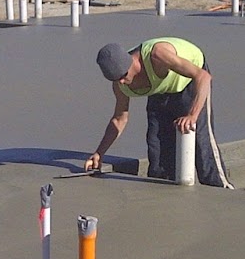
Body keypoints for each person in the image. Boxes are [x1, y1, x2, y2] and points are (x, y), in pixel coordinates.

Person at [85, 38, 231, 188]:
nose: (121, 82)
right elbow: (119, 119)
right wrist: (99, 153)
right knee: (157, 147)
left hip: (190, 81)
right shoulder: (119, 84)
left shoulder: (158, 55)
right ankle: (165, 198)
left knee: (200, 141)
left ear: (131, 63)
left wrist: (192, 115)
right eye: (116, 79)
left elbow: (203, 77)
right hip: (161, 88)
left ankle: (222, 190)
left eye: (123, 75)